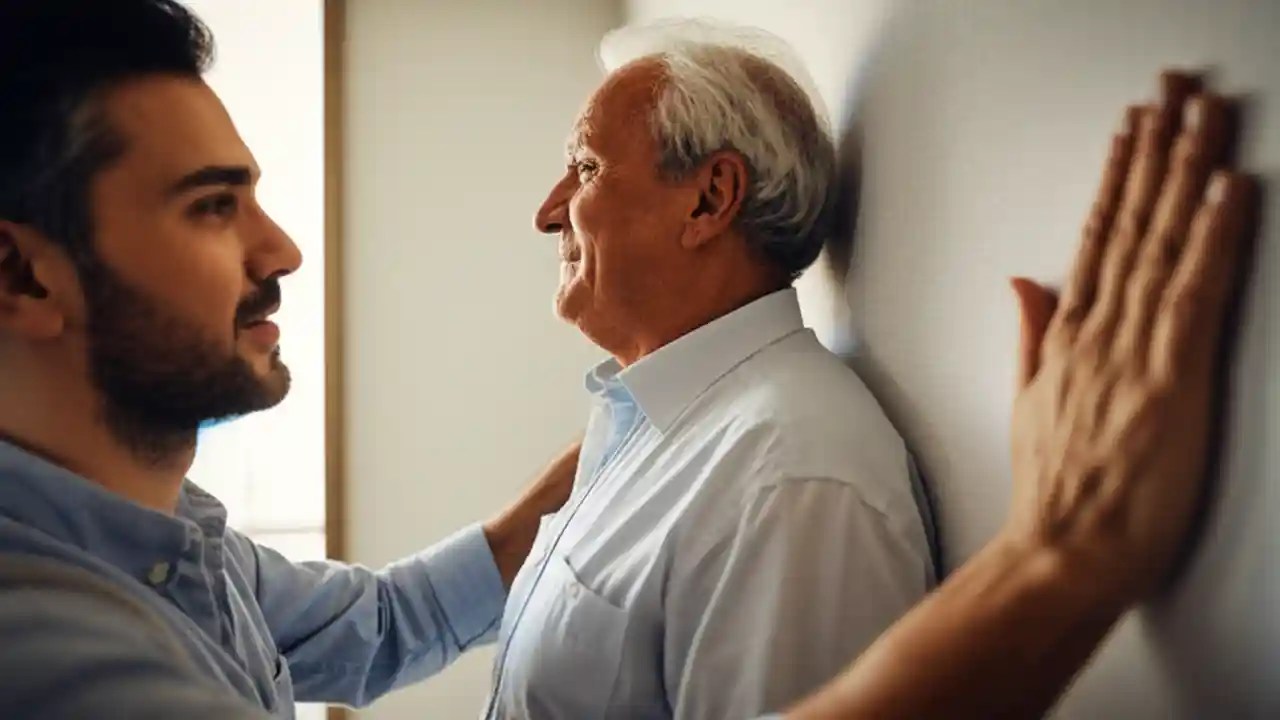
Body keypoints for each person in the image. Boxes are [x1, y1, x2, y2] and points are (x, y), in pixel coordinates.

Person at [0, 0, 580, 716]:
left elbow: (386, 621)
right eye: (212, 205)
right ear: (20, 275)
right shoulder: (47, 652)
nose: (283, 251)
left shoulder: (171, 537)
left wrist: (621, 446)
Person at [486, 21, 937, 719]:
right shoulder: (658, 426)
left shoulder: (792, 478)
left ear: (708, 200)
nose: (550, 213)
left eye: (586, 168)